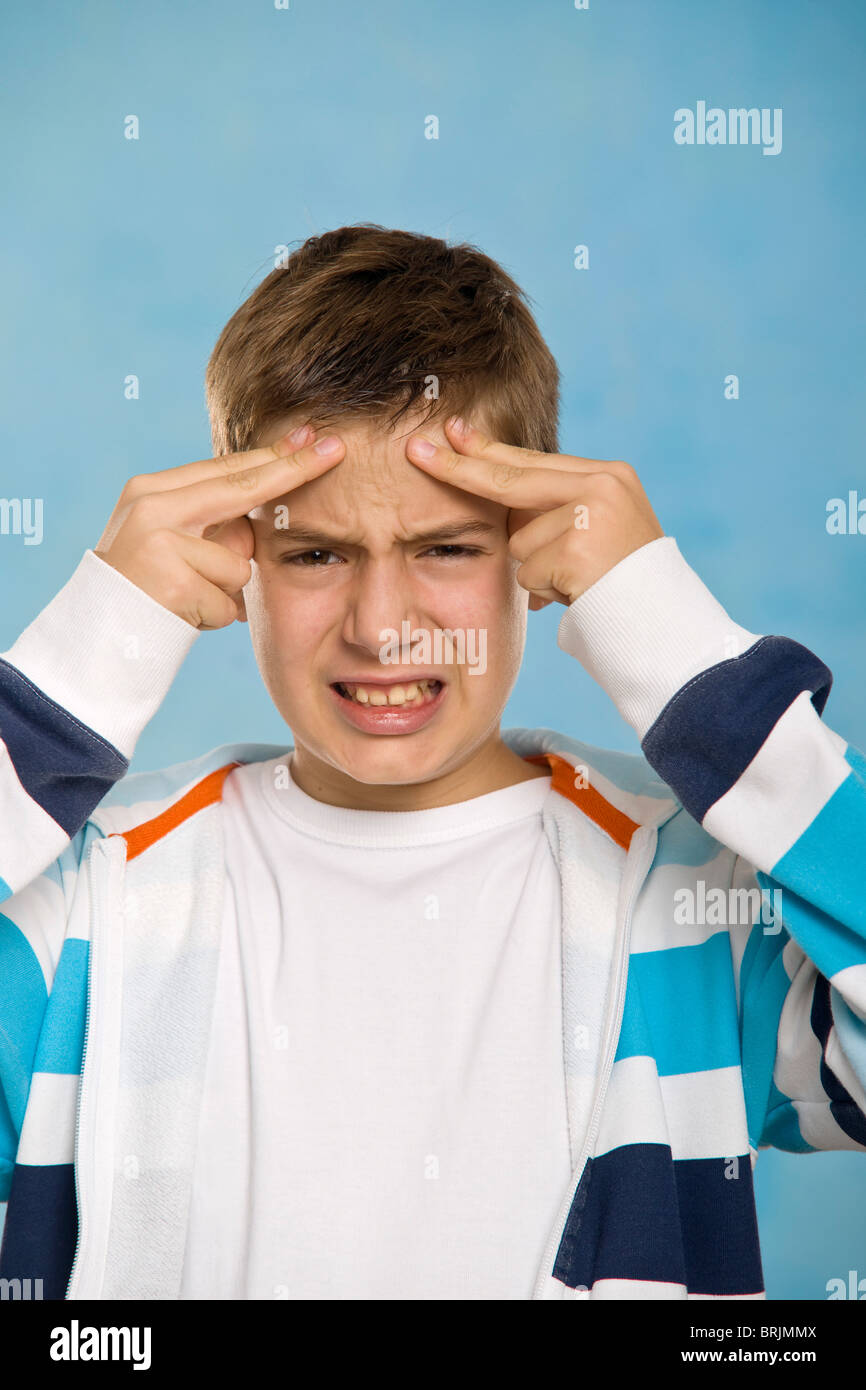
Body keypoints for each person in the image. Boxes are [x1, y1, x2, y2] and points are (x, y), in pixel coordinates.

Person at [0, 224, 863, 1301]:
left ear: (540, 549)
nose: (382, 627)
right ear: (237, 557)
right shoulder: (84, 910)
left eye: (446, 547)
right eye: (316, 552)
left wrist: (674, 642)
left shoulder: (691, 902)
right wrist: (80, 668)